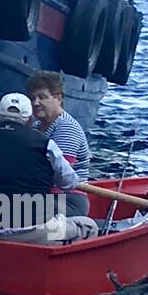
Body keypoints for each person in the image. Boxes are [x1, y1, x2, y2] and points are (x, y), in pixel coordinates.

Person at [0, 93, 99, 244]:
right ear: (29, 120)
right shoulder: (46, 144)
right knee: (88, 226)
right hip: (35, 230)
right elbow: (69, 182)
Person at [26, 71, 92, 217]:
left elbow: (60, 176)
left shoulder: (66, 127)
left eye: (42, 97)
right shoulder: (36, 127)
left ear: (58, 98)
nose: (35, 103)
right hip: (44, 195)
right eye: (32, 98)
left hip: (68, 200)